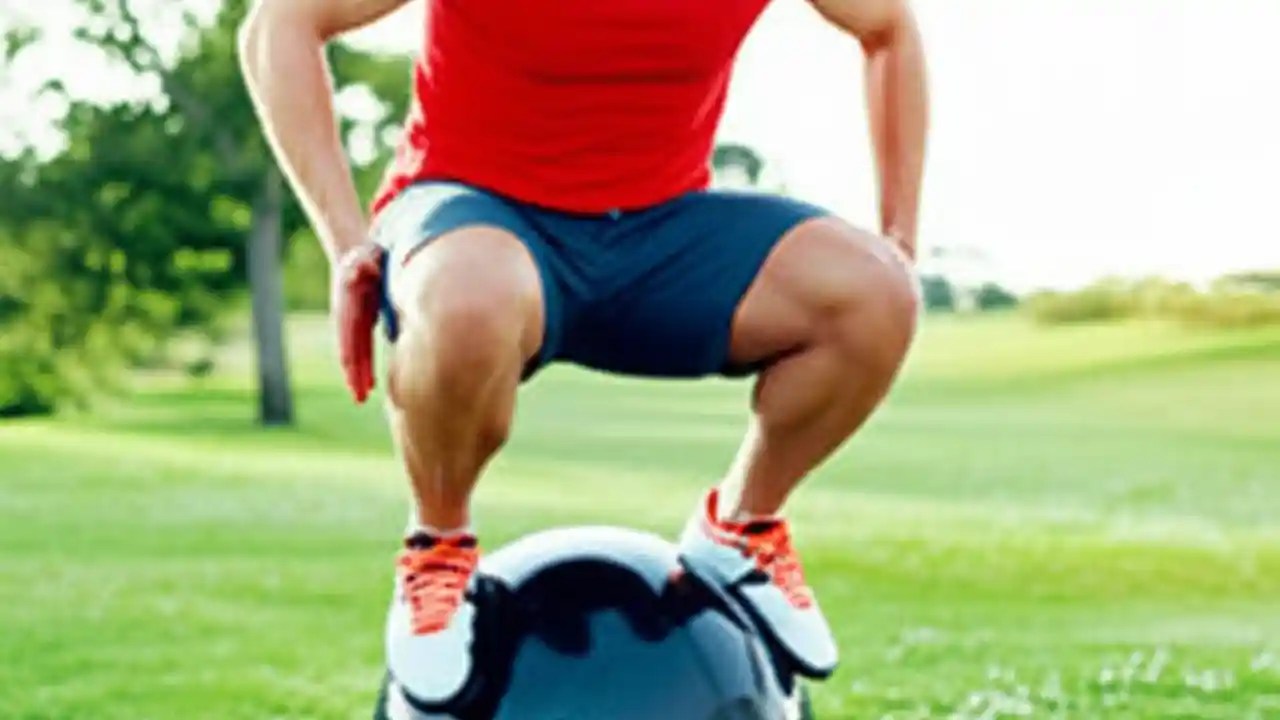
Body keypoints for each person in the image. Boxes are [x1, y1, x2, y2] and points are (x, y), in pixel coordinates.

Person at [239, 0, 927, 704]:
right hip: (476, 215)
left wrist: (901, 237)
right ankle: (437, 549)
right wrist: (346, 241)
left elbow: (888, 29)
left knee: (876, 294)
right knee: (470, 300)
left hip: (657, 234)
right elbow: (280, 23)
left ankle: (743, 527)